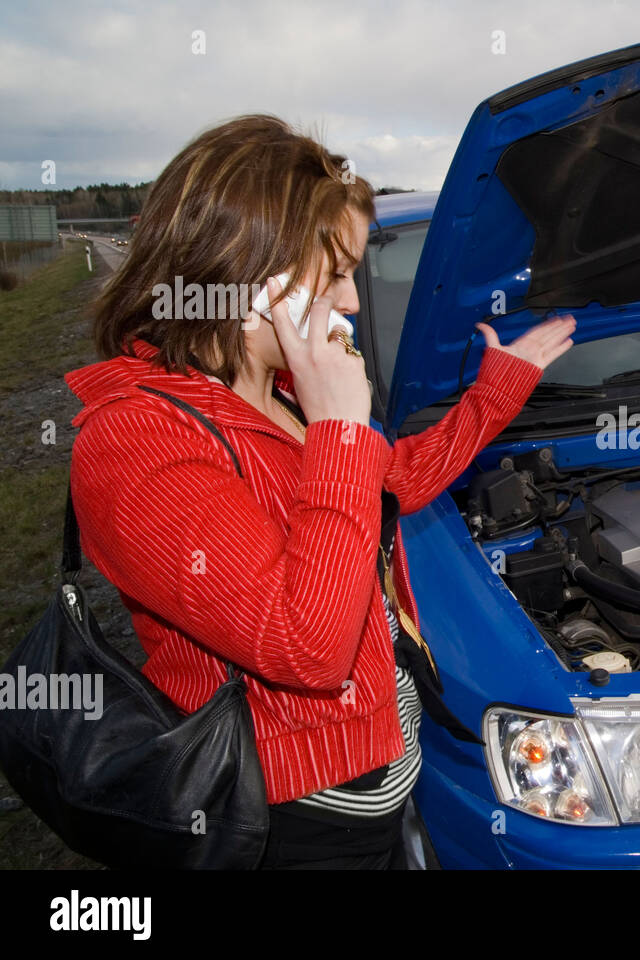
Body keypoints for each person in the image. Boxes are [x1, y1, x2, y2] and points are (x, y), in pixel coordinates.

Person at [62, 114, 575, 868]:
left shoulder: (276, 395)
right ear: (244, 270)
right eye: (334, 275)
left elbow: (387, 487)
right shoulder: (136, 442)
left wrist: (492, 399)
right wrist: (339, 427)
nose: (353, 303)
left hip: (382, 781)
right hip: (289, 824)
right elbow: (307, 648)